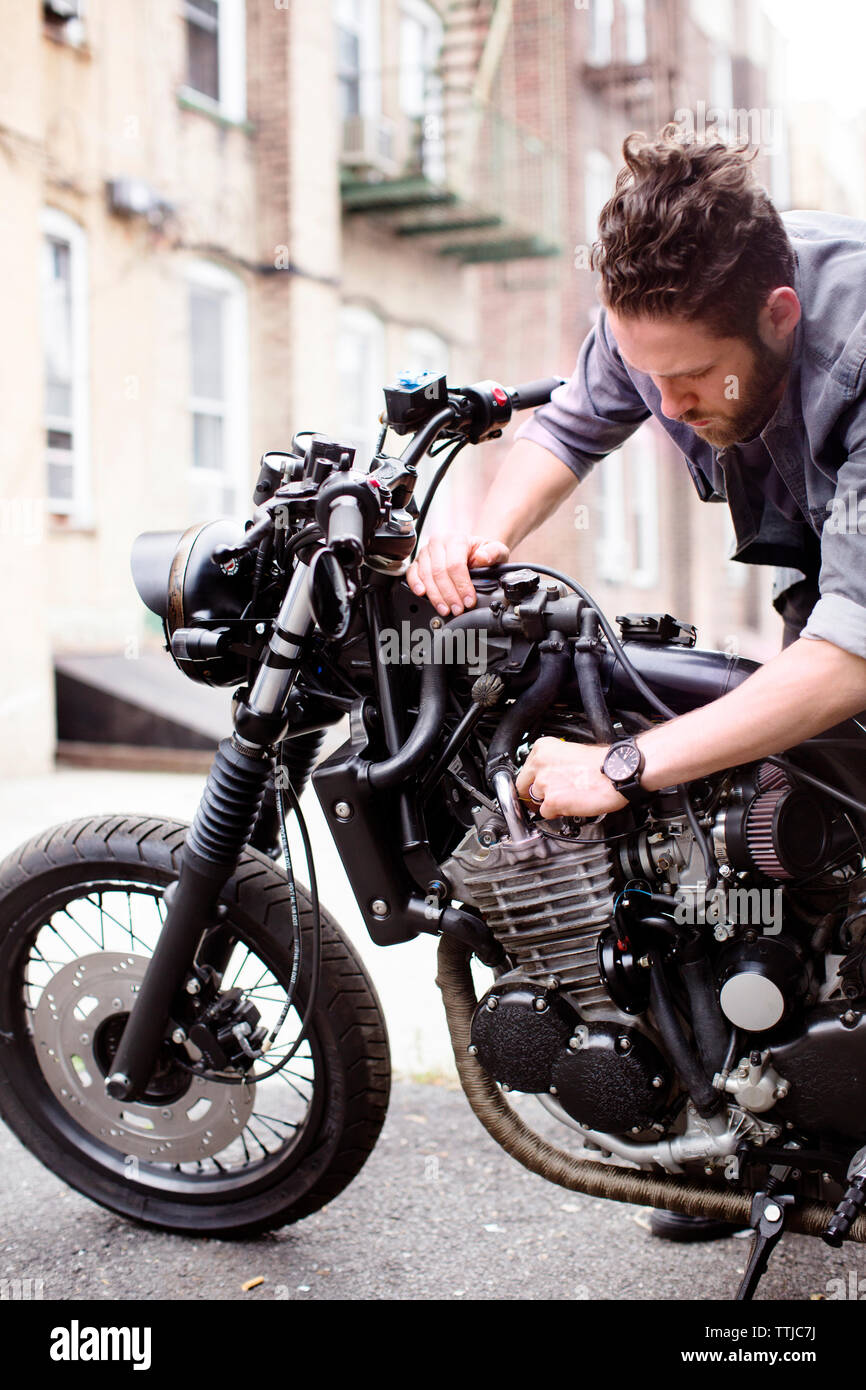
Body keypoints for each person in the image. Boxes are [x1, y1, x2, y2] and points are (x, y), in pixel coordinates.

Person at [406, 126, 866, 1241]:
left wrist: (621, 764)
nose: (664, 408)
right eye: (645, 375)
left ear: (778, 316)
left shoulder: (855, 347)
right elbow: (573, 422)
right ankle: (752, 1133)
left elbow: (852, 657)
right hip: (829, 567)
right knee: (774, 821)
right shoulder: (660, 317)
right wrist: (481, 540)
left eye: (687, 381)